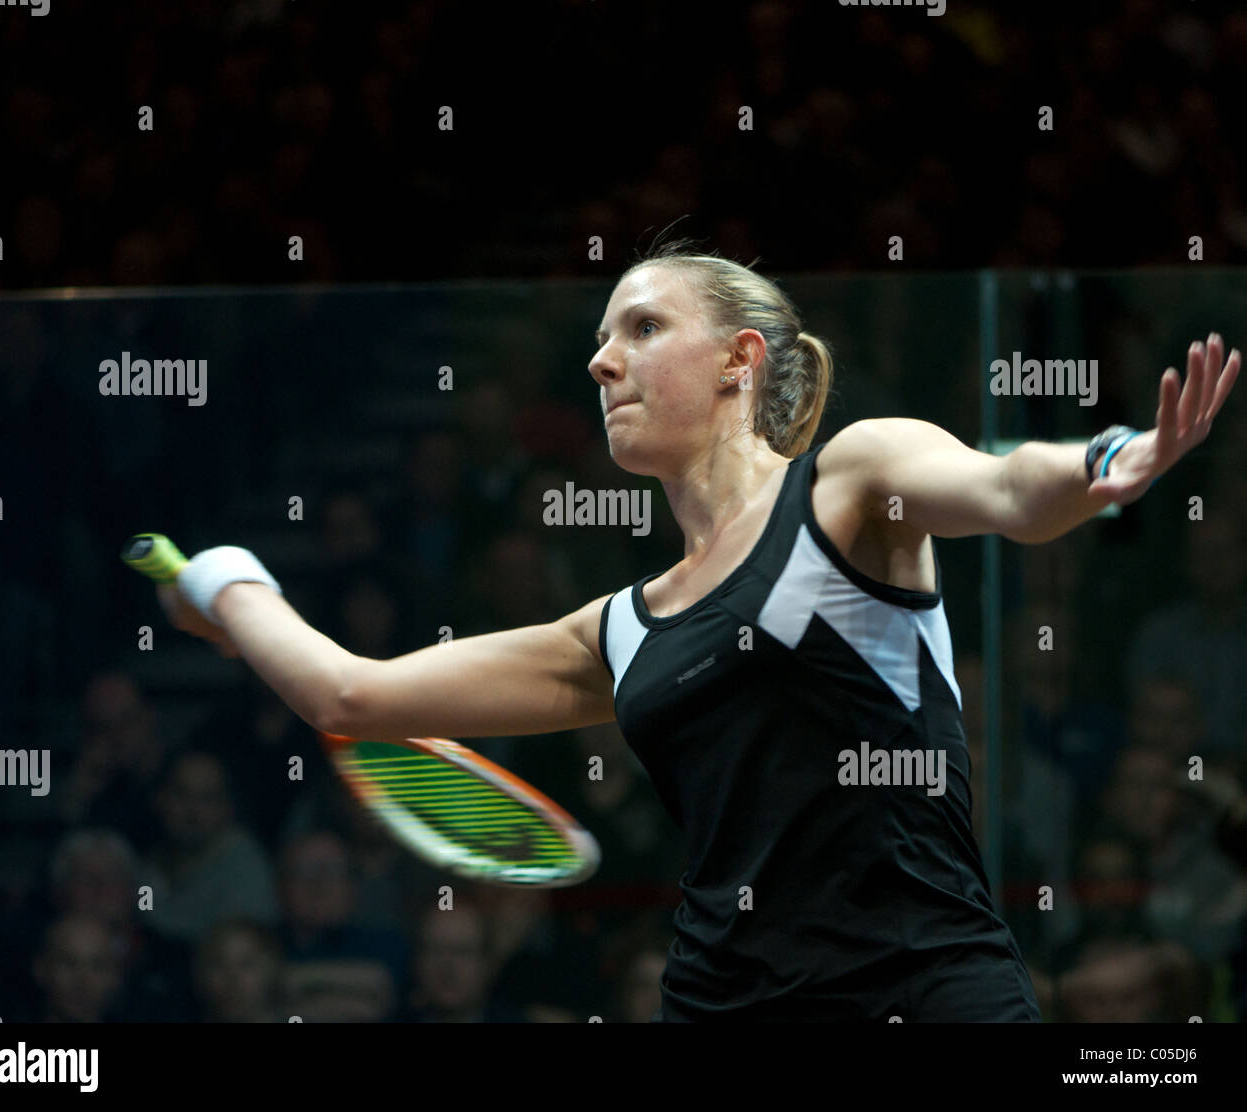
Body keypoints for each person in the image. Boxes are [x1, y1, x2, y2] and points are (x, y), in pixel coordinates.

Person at [152, 240, 1239, 1020]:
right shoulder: (617, 629)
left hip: (927, 984)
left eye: (642, 327)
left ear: (742, 359)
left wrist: (1106, 460)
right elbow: (353, 695)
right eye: (598, 338)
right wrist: (228, 585)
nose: (600, 361)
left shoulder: (851, 485)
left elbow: (1004, 485)